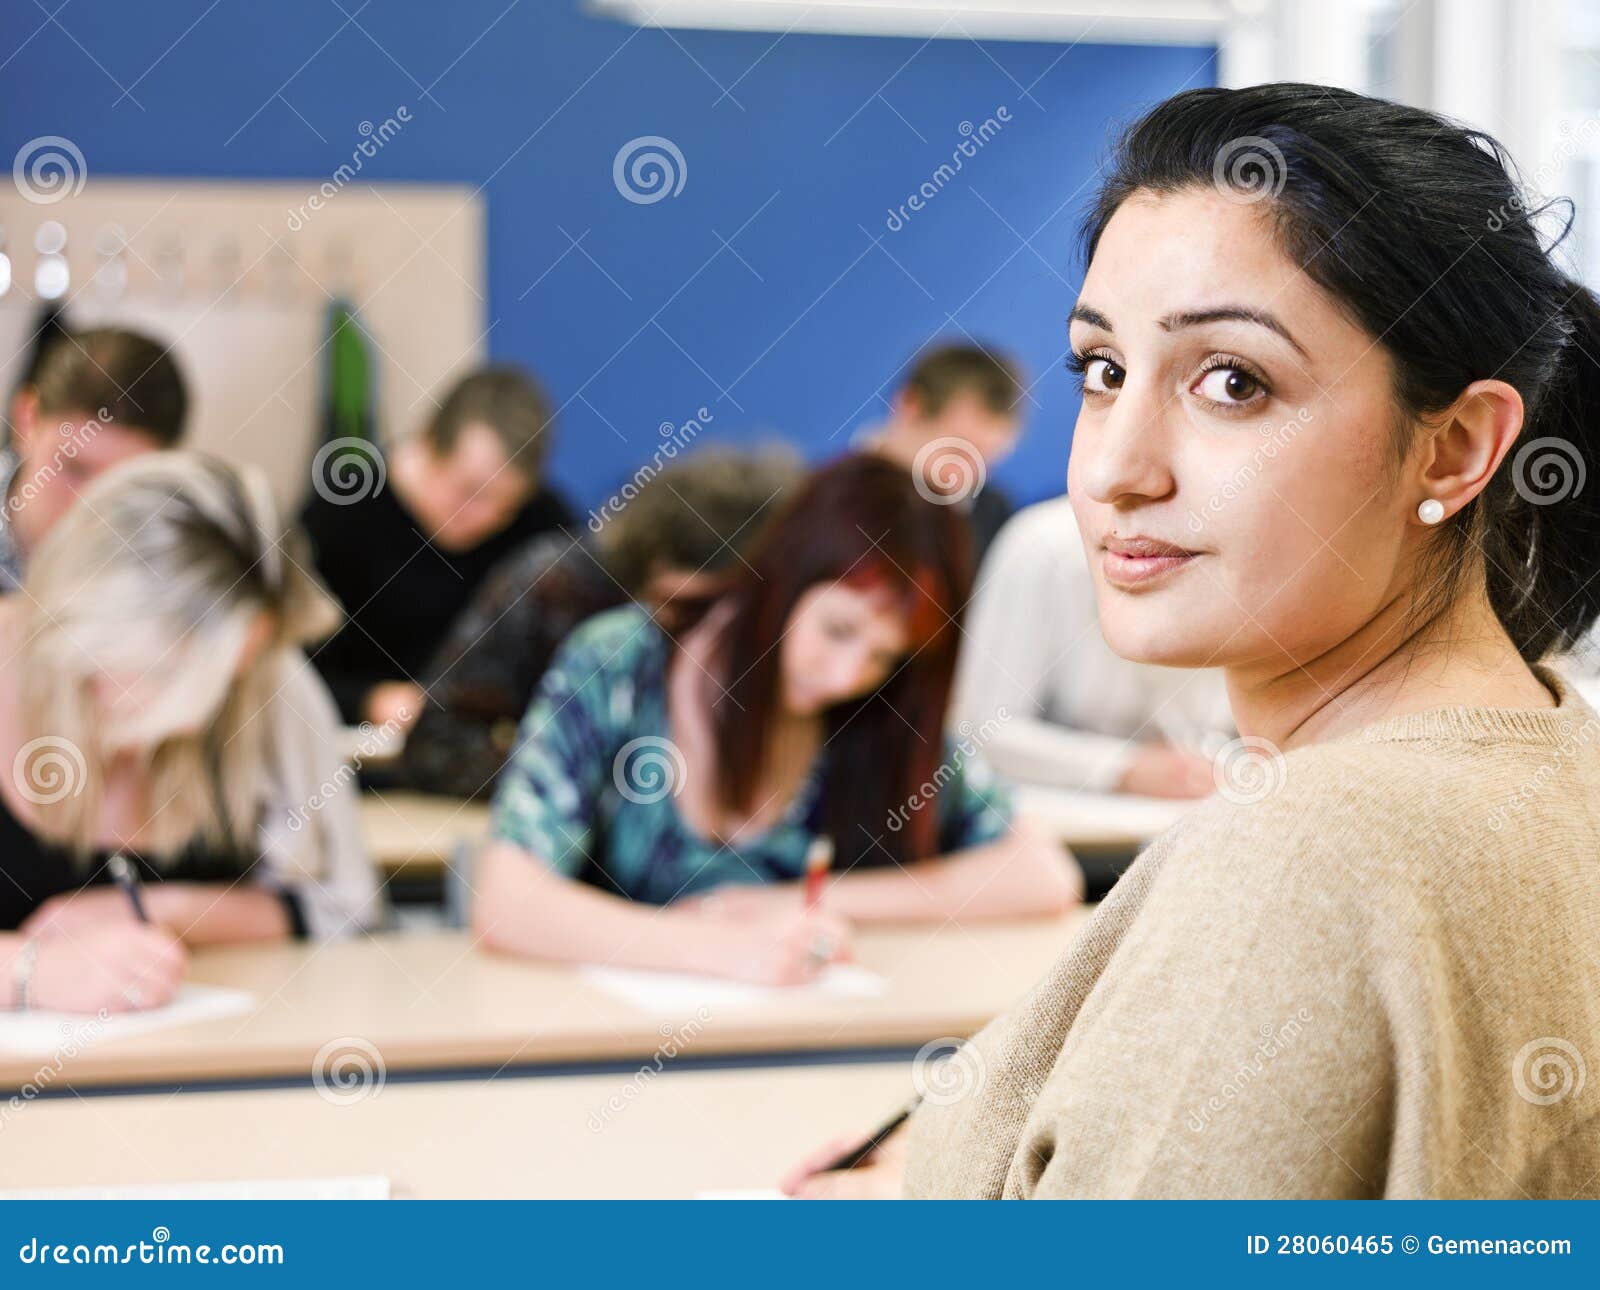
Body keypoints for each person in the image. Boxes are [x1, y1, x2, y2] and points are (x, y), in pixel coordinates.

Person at [788, 83, 1600, 1199]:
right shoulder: (1556, 748)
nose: (1118, 469)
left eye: (1233, 382)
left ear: (1454, 447)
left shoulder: (1313, 848)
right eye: (1102, 371)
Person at [473, 454, 1079, 985]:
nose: (847, 676)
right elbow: (507, 901)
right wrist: (722, 948)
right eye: (837, 630)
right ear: (781, 578)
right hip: (603, 1046)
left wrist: (793, 903)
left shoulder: (879, 709)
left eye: (883, 656)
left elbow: (1042, 874)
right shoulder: (619, 664)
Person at [0, 452, 380, 1015]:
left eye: (225, 678)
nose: (192, 719)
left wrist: (164, 909)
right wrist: (28, 969)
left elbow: (346, 909)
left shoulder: (270, 683)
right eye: (155, 673)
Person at [402, 446, 803, 799]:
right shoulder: (556, 586)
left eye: (727, 615)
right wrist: (580, 772)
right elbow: (434, 743)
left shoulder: (794, 634)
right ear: (648, 574)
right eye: (683, 609)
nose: (700, 635)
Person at [302, 365, 575, 730]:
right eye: (469, 491)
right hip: (368, 757)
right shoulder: (343, 513)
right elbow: (286, 672)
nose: (485, 517)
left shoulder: (543, 523)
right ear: (428, 444)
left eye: (505, 505)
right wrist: (370, 700)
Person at [953, 494, 1232, 797]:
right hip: (1064, 819)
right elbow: (982, 731)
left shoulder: (1235, 546)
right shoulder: (1041, 544)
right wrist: (1125, 768)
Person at [1, 325, 189, 592]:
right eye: (75, 469)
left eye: (125, 483)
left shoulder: (171, 566)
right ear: (26, 420)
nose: (91, 505)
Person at [857, 343, 1024, 563]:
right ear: (909, 405)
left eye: (988, 462)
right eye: (957, 453)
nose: (969, 478)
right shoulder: (815, 499)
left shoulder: (996, 518)